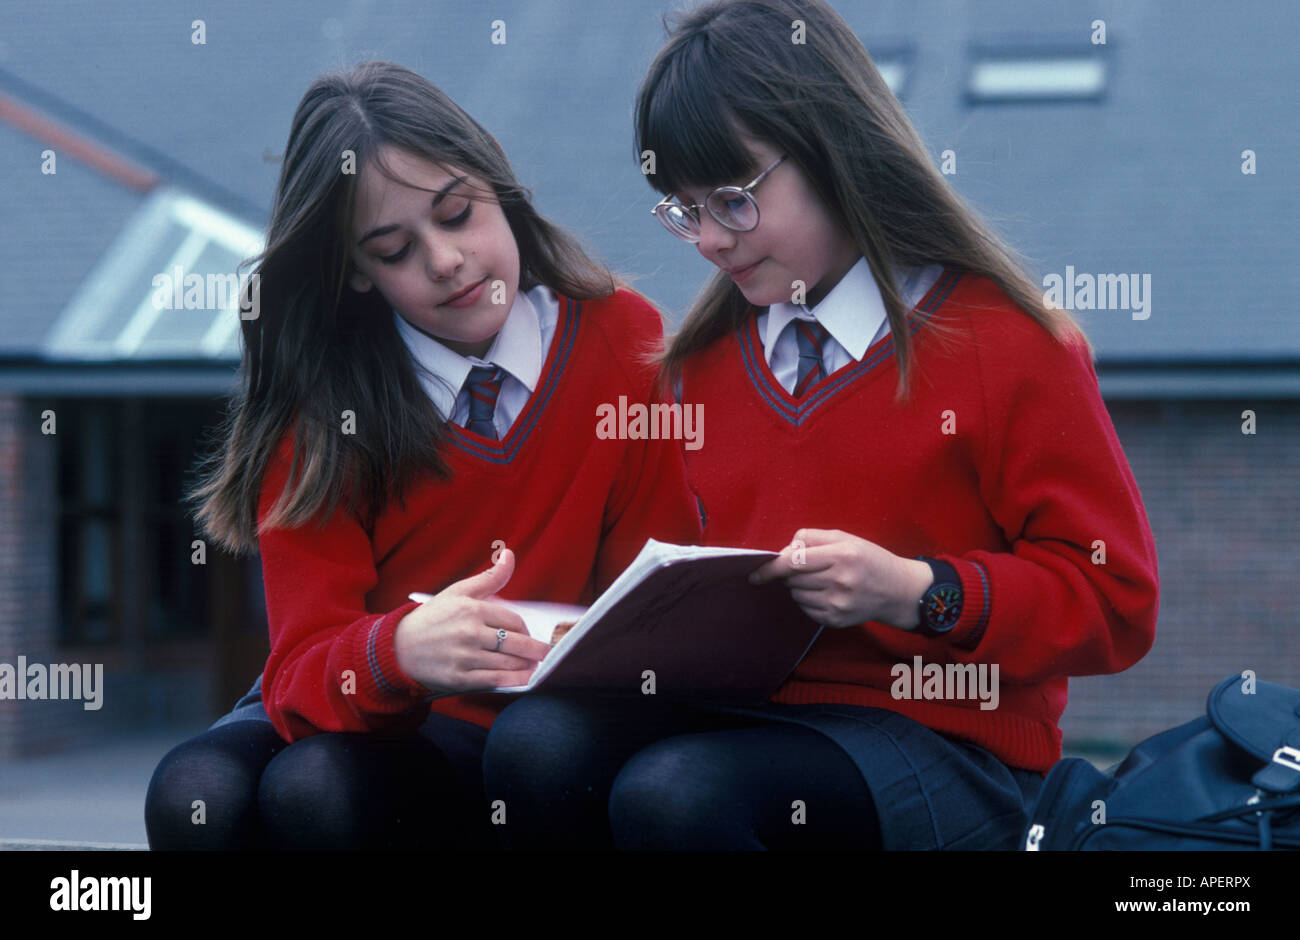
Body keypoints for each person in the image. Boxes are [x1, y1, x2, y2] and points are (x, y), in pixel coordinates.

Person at [482, 0, 1160, 850]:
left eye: (731, 200)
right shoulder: (700, 365)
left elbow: (1116, 603)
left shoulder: (1010, 345)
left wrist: (920, 592)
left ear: (836, 151)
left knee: (680, 795)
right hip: (747, 720)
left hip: (950, 741)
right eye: (683, 210)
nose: (708, 242)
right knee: (534, 748)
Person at [143, 60, 700, 850]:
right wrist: (400, 651)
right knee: (196, 792)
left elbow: (658, 598)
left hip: (552, 719)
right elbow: (300, 670)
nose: (445, 260)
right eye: (395, 250)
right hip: (374, 704)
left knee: (330, 787)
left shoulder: (623, 336)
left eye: (457, 213)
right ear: (356, 275)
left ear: (501, 190)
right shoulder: (321, 401)